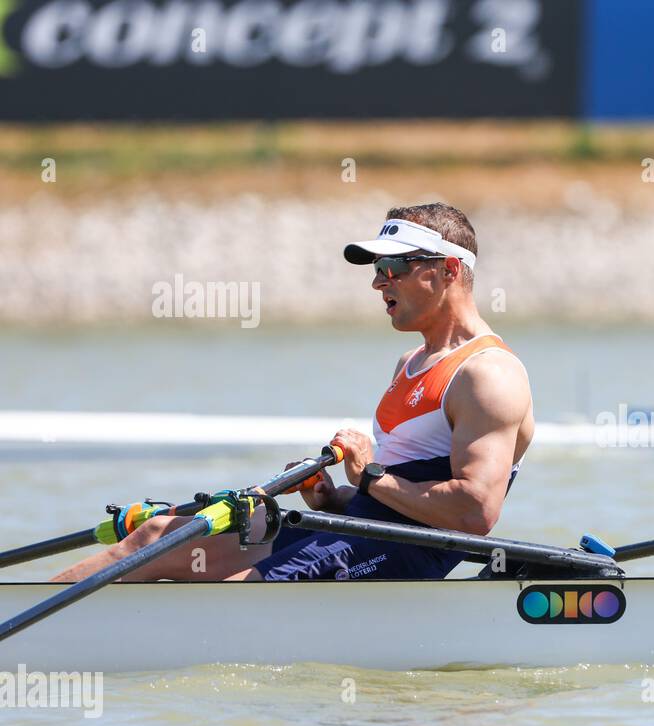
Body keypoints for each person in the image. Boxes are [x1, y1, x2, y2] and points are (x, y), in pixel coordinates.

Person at [54, 202, 534, 583]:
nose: (376, 282)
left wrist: (367, 475)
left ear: (448, 270)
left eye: (393, 268)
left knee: (228, 592)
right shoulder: (409, 364)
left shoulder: (489, 374)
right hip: (357, 534)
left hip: (396, 557)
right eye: (376, 268)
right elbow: (394, 499)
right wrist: (334, 499)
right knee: (156, 537)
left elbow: (473, 514)